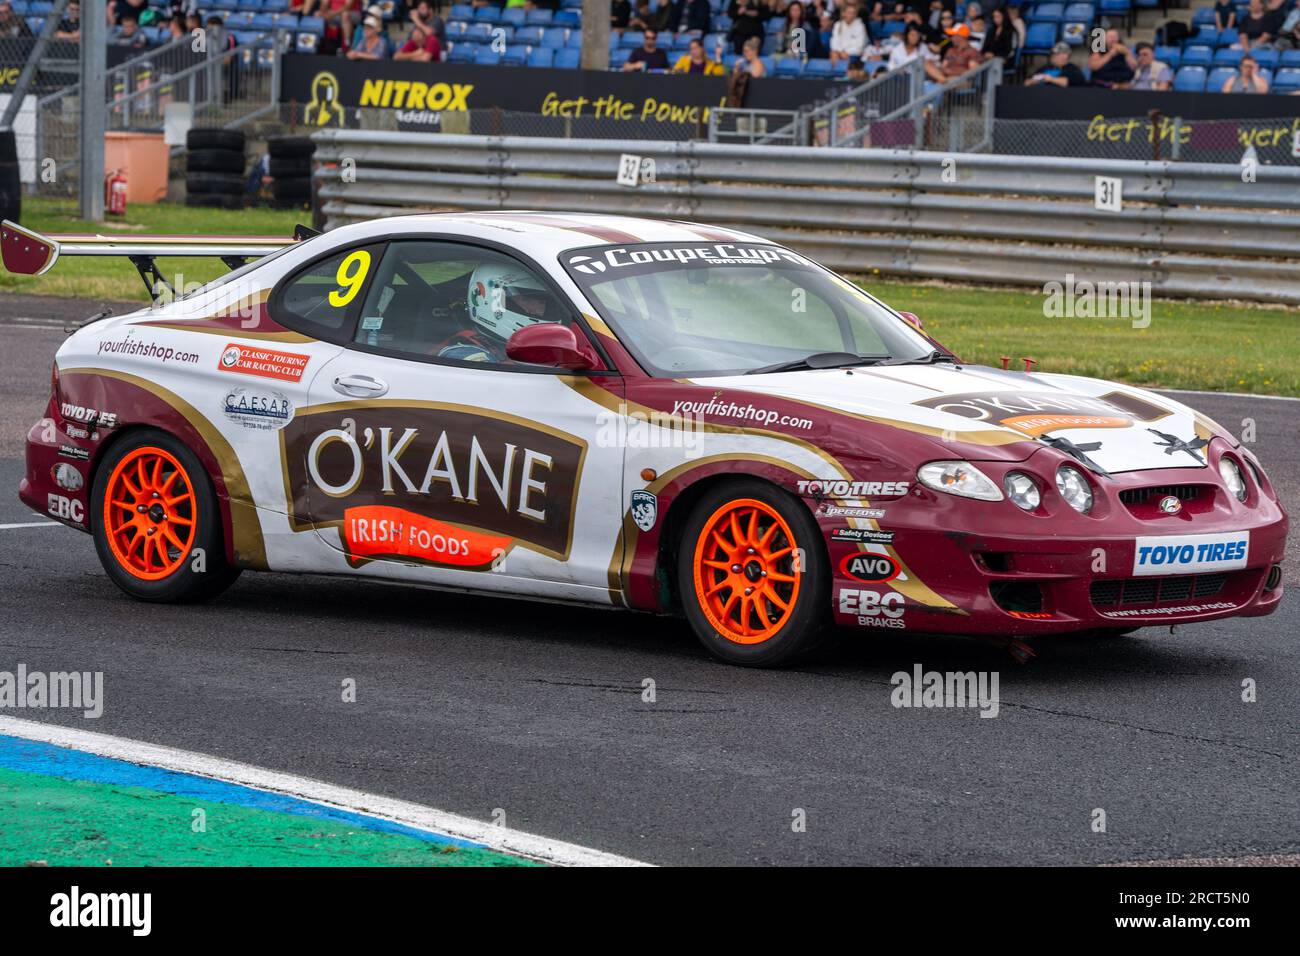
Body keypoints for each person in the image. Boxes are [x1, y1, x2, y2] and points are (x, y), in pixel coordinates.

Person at [435, 264, 565, 364]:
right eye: (527, 300)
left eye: (543, 302)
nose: (538, 309)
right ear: (487, 301)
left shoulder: (528, 348)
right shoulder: (464, 353)